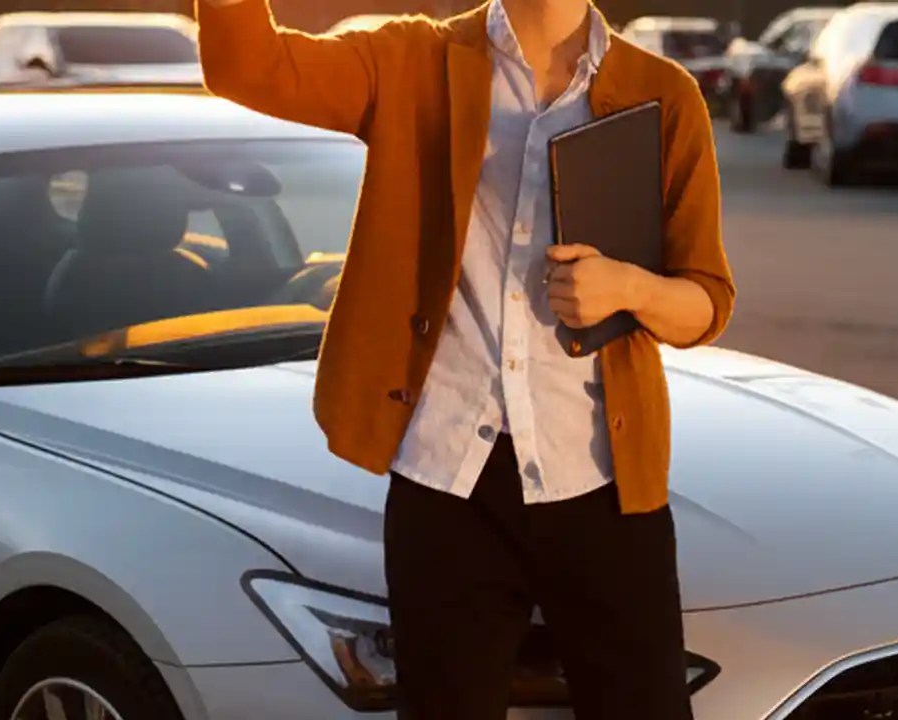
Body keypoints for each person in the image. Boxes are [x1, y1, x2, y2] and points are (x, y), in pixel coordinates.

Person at [196, 0, 735, 717]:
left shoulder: (663, 94)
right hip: (448, 485)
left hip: (602, 484)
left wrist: (628, 289)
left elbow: (706, 300)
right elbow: (248, 67)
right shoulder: (412, 62)